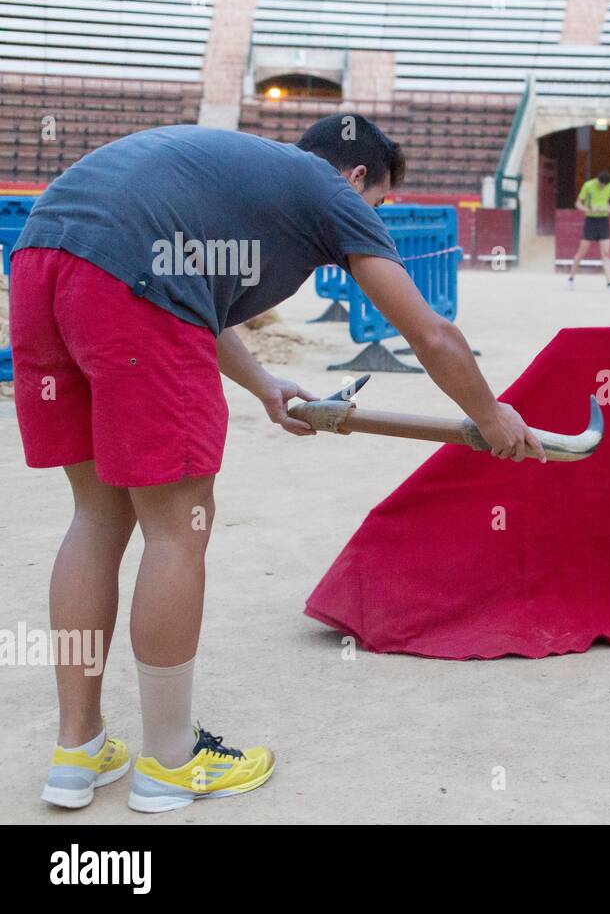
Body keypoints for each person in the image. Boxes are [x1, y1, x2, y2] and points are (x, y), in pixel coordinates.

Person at [10, 115, 545, 812]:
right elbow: (432, 333)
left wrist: (264, 385)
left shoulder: (245, 179)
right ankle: (170, 761)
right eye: (379, 202)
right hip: (124, 281)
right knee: (176, 528)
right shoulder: (330, 192)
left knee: (96, 516)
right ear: (357, 177)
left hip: (40, 260)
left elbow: (183, 293)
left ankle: (77, 750)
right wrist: (492, 414)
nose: (374, 219)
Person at [566, 170, 610, 291]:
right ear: (597, 180)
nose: (603, 186)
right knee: (581, 253)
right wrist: (587, 210)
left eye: (605, 185)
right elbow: (578, 203)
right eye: (601, 184)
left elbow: (607, 204)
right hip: (590, 221)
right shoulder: (588, 185)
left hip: (603, 221)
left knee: (606, 253)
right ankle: (570, 279)